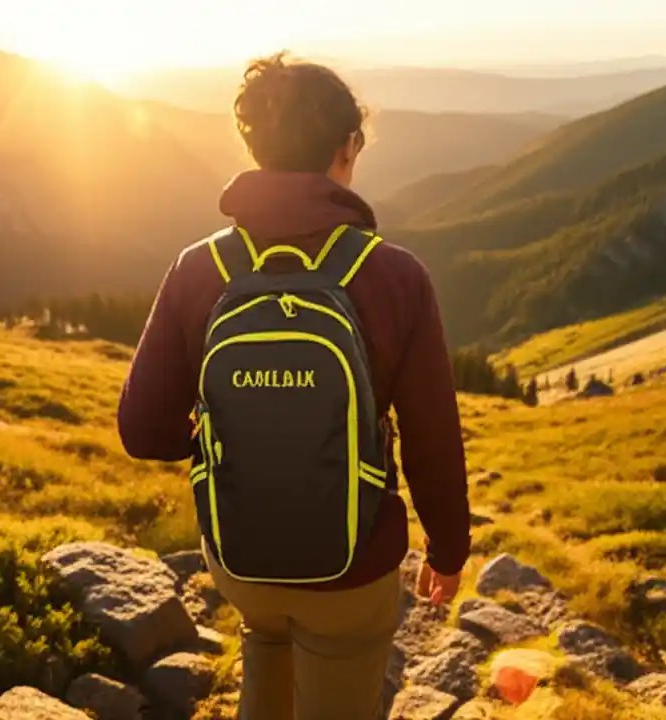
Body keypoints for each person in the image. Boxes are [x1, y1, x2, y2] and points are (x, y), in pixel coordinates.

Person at [116, 53, 470, 719]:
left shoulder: (201, 266)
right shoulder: (393, 275)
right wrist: (448, 550)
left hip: (239, 554)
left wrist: (234, 432)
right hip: (352, 563)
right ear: (347, 148)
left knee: (266, 649)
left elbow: (141, 429)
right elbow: (431, 439)